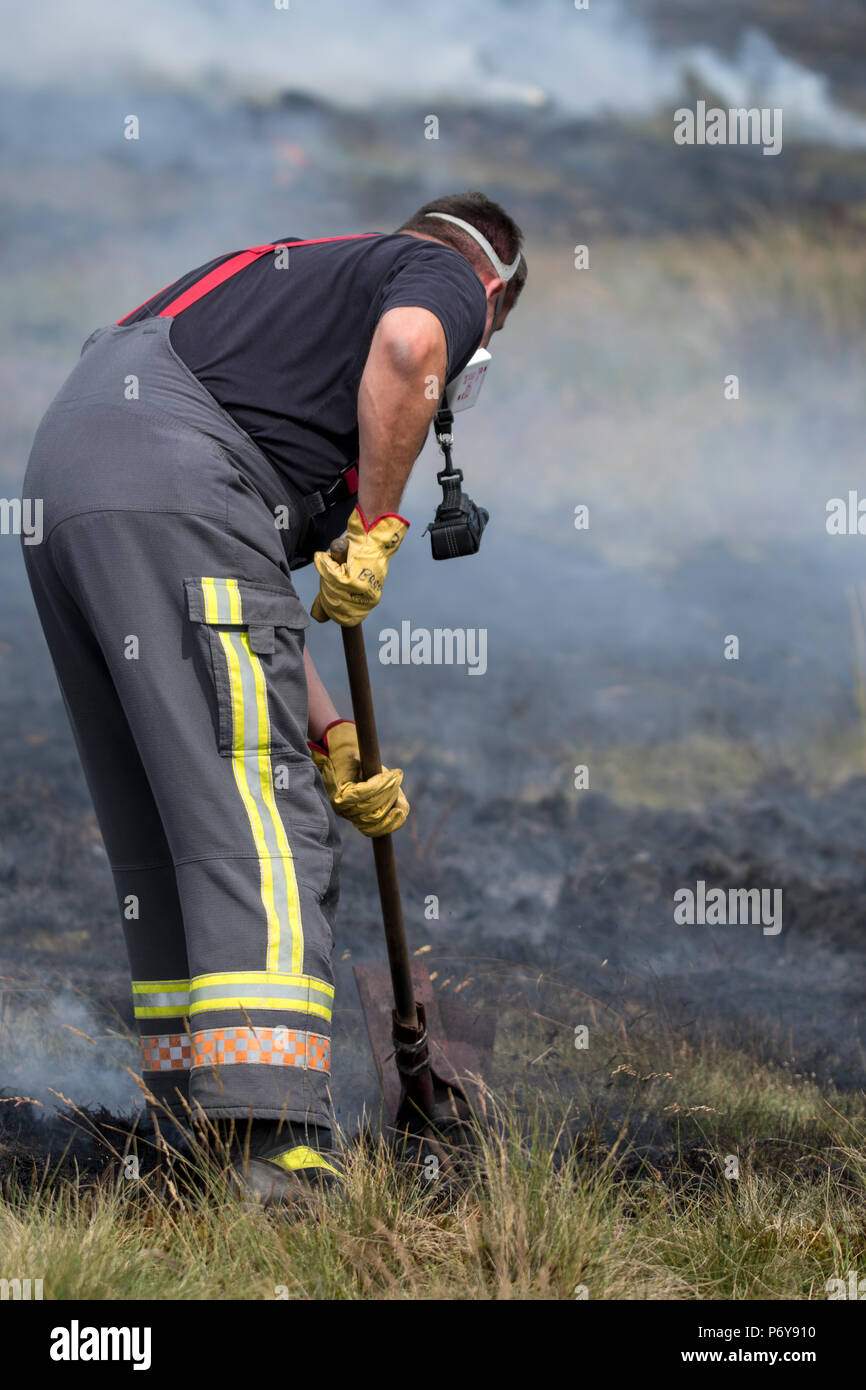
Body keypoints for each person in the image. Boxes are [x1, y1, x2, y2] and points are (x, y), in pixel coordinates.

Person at [20, 189, 526, 1205]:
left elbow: (236, 598)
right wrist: (378, 523)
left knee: (175, 820)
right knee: (263, 813)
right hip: (172, 478)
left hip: (71, 485)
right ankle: (273, 1151)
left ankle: (187, 1127)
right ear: (494, 293)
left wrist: (335, 733)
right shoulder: (442, 271)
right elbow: (412, 344)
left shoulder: (278, 287)